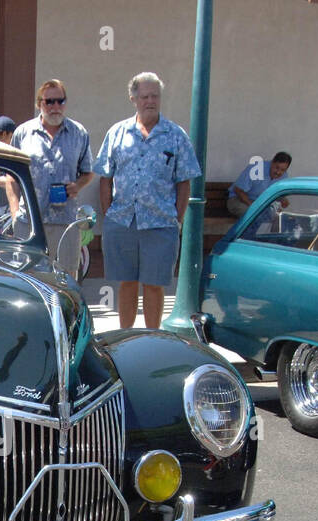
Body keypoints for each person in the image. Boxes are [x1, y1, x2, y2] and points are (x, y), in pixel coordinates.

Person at [95, 72, 200, 329]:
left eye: (155, 96)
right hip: (123, 221)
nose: (150, 101)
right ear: (133, 99)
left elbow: (184, 181)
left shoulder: (175, 135)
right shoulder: (118, 133)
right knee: (127, 283)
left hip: (159, 223)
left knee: (153, 285)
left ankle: (152, 340)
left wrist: (177, 219)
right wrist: (109, 213)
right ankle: (125, 338)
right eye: (145, 96)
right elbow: (105, 177)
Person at [11, 79, 96, 279]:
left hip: (65, 221)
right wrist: (15, 211)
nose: (55, 107)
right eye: (49, 102)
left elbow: (88, 171)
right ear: (39, 103)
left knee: (65, 279)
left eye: (60, 101)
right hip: (29, 221)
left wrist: (78, 186)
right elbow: (10, 176)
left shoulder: (78, 133)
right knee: (26, 277)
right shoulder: (23, 133)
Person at [227, 151, 291, 218]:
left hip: (259, 205)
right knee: (253, 215)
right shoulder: (256, 169)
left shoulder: (284, 176)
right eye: (277, 168)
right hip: (237, 200)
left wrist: (283, 200)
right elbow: (238, 190)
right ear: (272, 162)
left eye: (282, 170)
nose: (278, 172)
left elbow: (277, 195)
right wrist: (255, 207)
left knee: (279, 217)